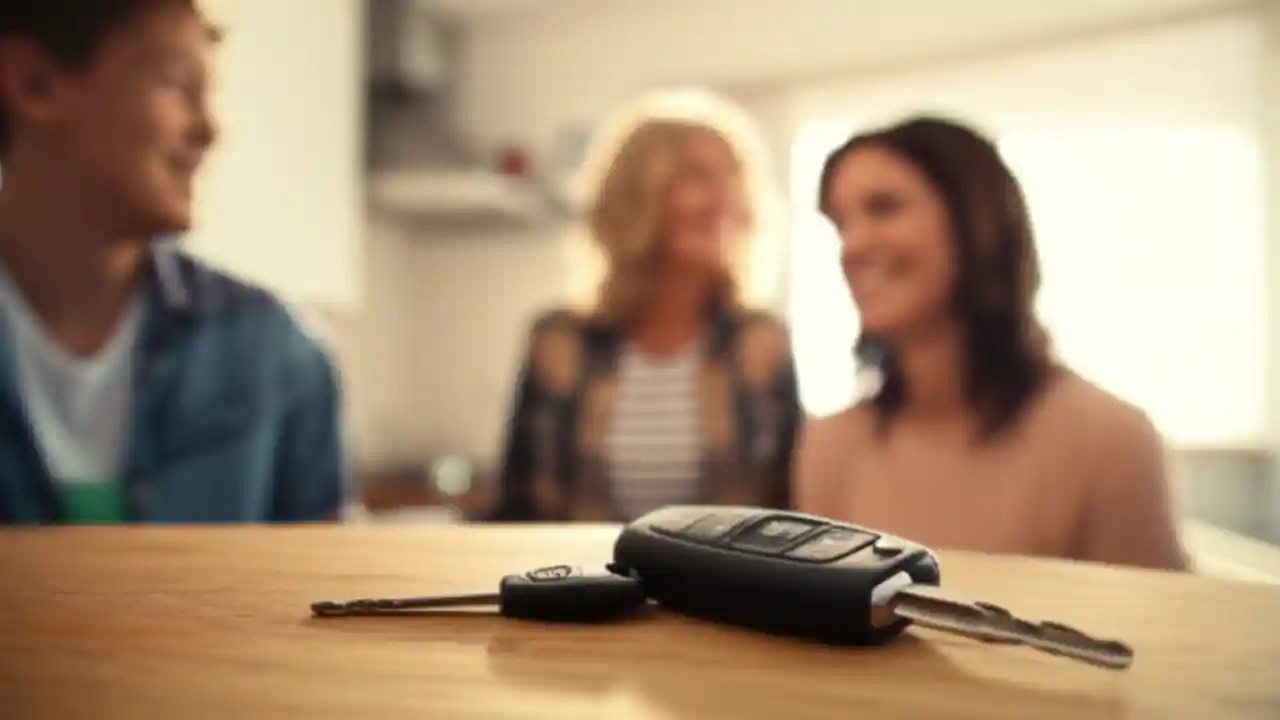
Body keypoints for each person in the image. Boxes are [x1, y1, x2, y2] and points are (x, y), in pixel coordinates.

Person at [0, 0, 344, 523]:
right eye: (178, 84)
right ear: (35, 84)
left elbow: (326, 587)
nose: (209, 131)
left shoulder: (276, 354)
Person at [794, 116, 1186, 570]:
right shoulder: (830, 447)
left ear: (975, 220)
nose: (851, 247)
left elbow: (1154, 638)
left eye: (883, 208)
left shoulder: (1111, 442)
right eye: (841, 223)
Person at [491, 92, 799, 521]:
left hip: (722, 589)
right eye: (696, 178)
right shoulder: (558, 341)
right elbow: (517, 509)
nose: (725, 199)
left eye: (733, 179)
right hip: (584, 584)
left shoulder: (762, 343)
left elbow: (789, 513)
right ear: (635, 197)